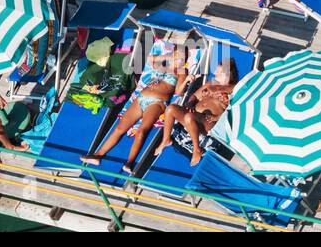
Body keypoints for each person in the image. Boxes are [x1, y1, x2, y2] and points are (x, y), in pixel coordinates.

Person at [82, 45, 189, 173]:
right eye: (177, 54)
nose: (179, 58)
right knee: (119, 129)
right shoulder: (163, 64)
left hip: (157, 103)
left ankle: (129, 163)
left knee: (141, 131)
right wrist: (168, 57)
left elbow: (178, 91)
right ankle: (98, 156)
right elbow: (150, 59)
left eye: (182, 56)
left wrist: (187, 80)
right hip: (141, 98)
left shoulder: (181, 71)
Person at [155, 58, 237, 165]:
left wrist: (217, 117)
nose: (215, 73)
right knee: (171, 108)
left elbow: (233, 112)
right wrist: (190, 103)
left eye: (219, 72)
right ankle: (166, 140)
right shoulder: (211, 83)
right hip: (192, 115)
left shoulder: (233, 92)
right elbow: (194, 96)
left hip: (208, 122)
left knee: (189, 117)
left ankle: (197, 149)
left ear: (228, 75)